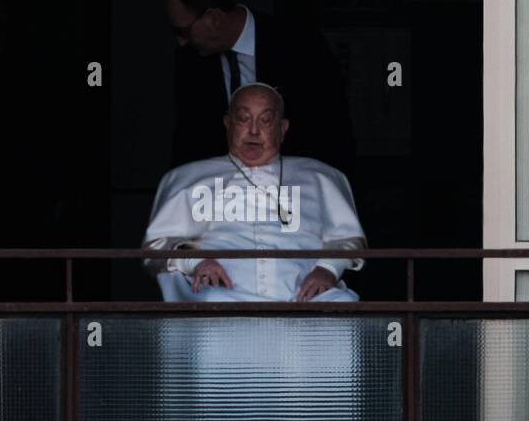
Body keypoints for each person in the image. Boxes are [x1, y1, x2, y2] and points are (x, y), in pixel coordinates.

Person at [143, 83, 365, 303]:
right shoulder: (188, 178)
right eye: (243, 118)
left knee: (342, 304)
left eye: (266, 120)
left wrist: (327, 270)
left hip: (303, 298)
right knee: (212, 302)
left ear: (283, 129)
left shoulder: (320, 177)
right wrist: (197, 262)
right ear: (227, 124)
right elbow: (158, 245)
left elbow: (347, 239)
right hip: (218, 294)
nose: (254, 130)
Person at [163, 0, 356, 171]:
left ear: (214, 19)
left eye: (183, 31)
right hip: (221, 193)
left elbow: (332, 131)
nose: (180, 41)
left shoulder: (300, 46)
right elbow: (188, 140)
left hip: (293, 188)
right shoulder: (191, 61)